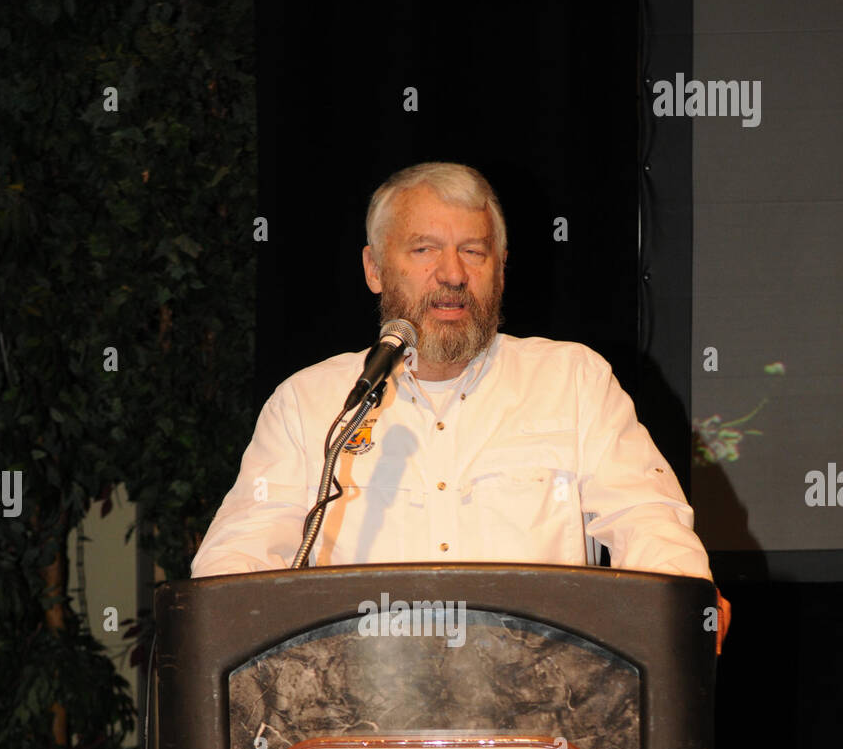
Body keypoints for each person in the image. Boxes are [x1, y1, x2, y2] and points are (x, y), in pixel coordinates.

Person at [192, 161, 730, 648]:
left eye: (474, 251)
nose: (452, 274)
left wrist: (682, 605)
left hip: (544, 719)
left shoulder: (573, 381)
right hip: (356, 723)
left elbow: (648, 518)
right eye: (424, 249)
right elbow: (235, 563)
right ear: (374, 268)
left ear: (501, 268)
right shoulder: (311, 404)